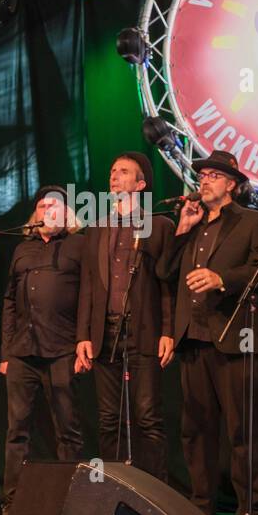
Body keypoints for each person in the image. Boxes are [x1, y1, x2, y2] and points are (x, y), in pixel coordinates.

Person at [157, 150, 258, 515]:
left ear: (232, 185)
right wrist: (181, 229)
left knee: (241, 429)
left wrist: (222, 279)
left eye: (213, 176)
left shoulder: (252, 221)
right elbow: (164, 272)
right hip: (193, 338)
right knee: (196, 430)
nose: (204, 180)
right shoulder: (192, 224)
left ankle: (250, 511)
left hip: (232, 335)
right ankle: (201, 508)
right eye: (202, 175)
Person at [75, 152, 175, 480]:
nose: (114, 176)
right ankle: (113, 490)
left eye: (124, 172)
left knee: (147, 417)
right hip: (106, 333)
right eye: (113, 170)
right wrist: (83, 337)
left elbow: (166, 284)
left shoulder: (158, 225)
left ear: (141, 183)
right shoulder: (97, 228)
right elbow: (88, 286)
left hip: (143, 331)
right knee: (108, 418)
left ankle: (156, 495)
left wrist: (168, 330)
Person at [0, 186, 86, 510]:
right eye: (41, 205)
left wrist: (82, 343)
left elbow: (89, 296)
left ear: (66, 213)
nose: (45, 209)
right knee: (17, 429)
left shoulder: (78, 245)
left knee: (67, 428)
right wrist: (6, 352)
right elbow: (8, 300)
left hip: (62, 348)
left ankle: (71, 501)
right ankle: (12, 502)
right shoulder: (22, 249)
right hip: (23, 351)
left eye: (53, 205)